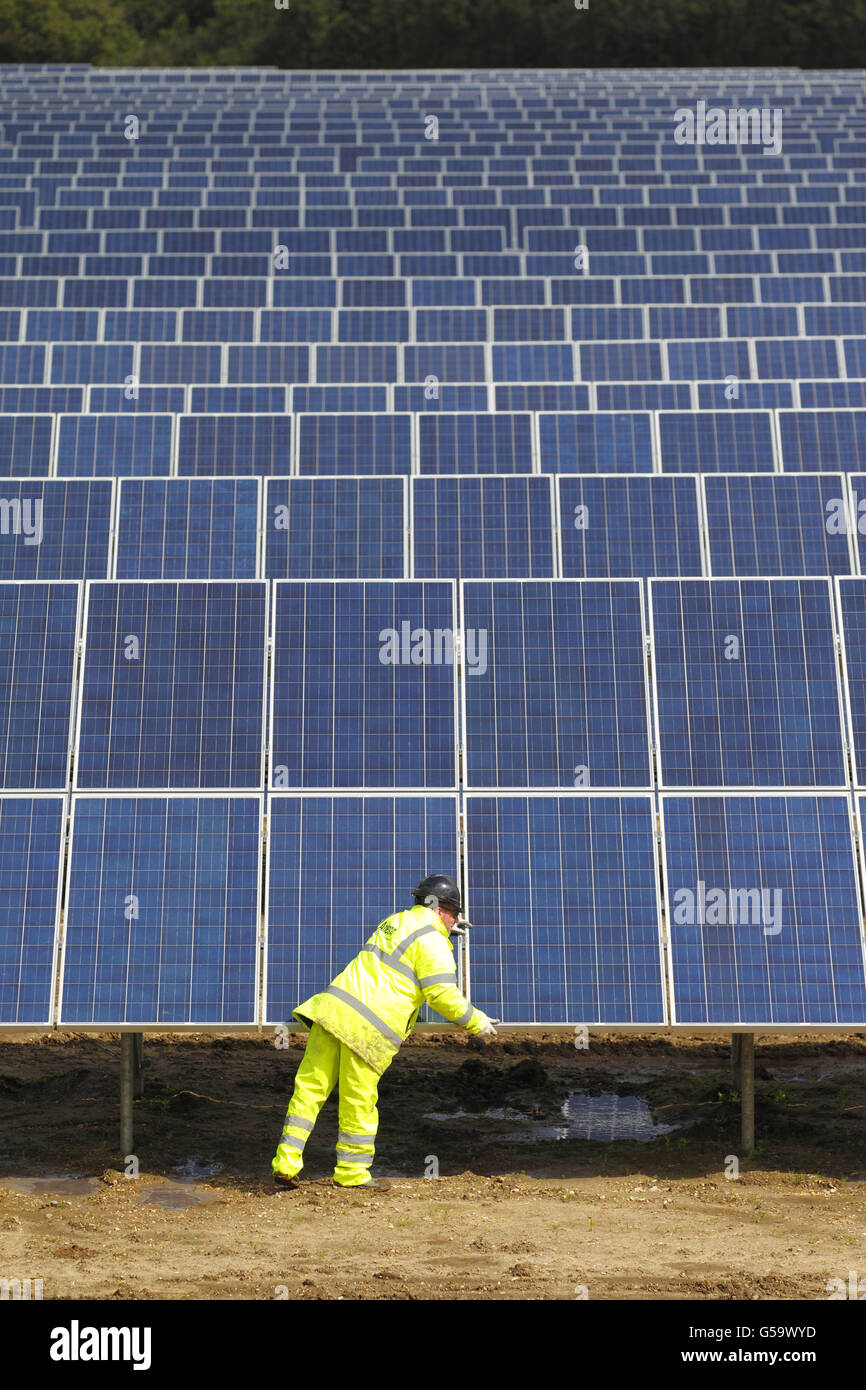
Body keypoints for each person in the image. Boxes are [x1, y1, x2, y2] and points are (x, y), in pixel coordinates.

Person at [272, 874, 496, 1190]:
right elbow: (441, 994)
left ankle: (286, 1162)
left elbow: (402, 950)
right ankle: (351, 1174)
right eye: (454, 914)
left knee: (309, 1089)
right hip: (367, 1027)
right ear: (441, 908)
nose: (457, 921)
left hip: (333, 1010)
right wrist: (476, 1021)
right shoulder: (434, 941)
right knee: (358, 1101)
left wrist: (444, 931)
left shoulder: (394, 921)